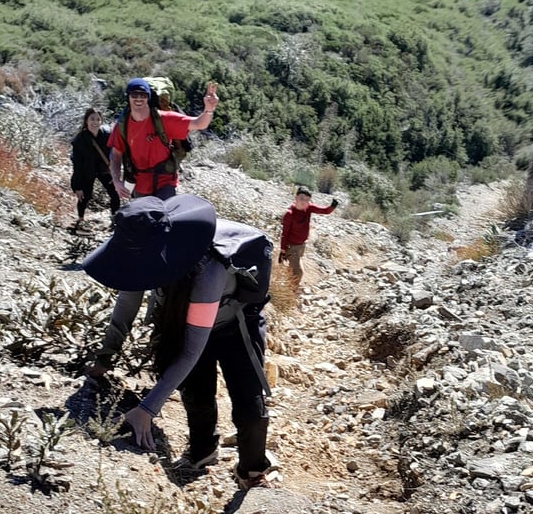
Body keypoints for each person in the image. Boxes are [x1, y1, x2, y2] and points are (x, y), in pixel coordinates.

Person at [83, 195, 273, 489]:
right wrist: (105, 358)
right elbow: (126, 308)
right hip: (187, 323)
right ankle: (202, 452)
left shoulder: (209, 269)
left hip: (236, 327)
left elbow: (191, 351)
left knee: (249, 404)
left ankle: (252, 471)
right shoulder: (143, 257)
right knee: (196, 394)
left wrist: (147, 410)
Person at [108, 77, 219, 201]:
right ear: (128, 97)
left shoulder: (163, 119)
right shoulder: (122, 125)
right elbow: (116, 155)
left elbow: (199, 124)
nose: (139, 98)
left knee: (164, 211)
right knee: (144, 213)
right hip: (139, 184)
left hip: (165, 181)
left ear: (148, 97)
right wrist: (116, 181)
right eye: (134, 94)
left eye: (143, 95)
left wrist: (209, 109)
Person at [70, 108, 120, 225]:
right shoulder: (79, 141)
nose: (95, 122)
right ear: (86, 121)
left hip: (104, 169)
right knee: (85, 195)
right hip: (87, 170)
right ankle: (80, 219)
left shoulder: (107, 134)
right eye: (92, 119)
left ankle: (115, 219)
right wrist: (77, 186)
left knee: (114, 193)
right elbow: (77, 165)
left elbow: (115, 154)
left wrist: (115, 173)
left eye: (98, 119)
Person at [279, 185, 338, 283]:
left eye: (307, 200)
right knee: (298, 272)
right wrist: (282, 250)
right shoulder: (289, 214)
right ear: (296, 197)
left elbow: (324, 211)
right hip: (291, 247)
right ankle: (292, 290)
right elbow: (284, 233)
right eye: (301, 198)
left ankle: (288, 283)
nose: (304, 202)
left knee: (294, 268)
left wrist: (333, 206)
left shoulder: (309, 208)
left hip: (302, 245)